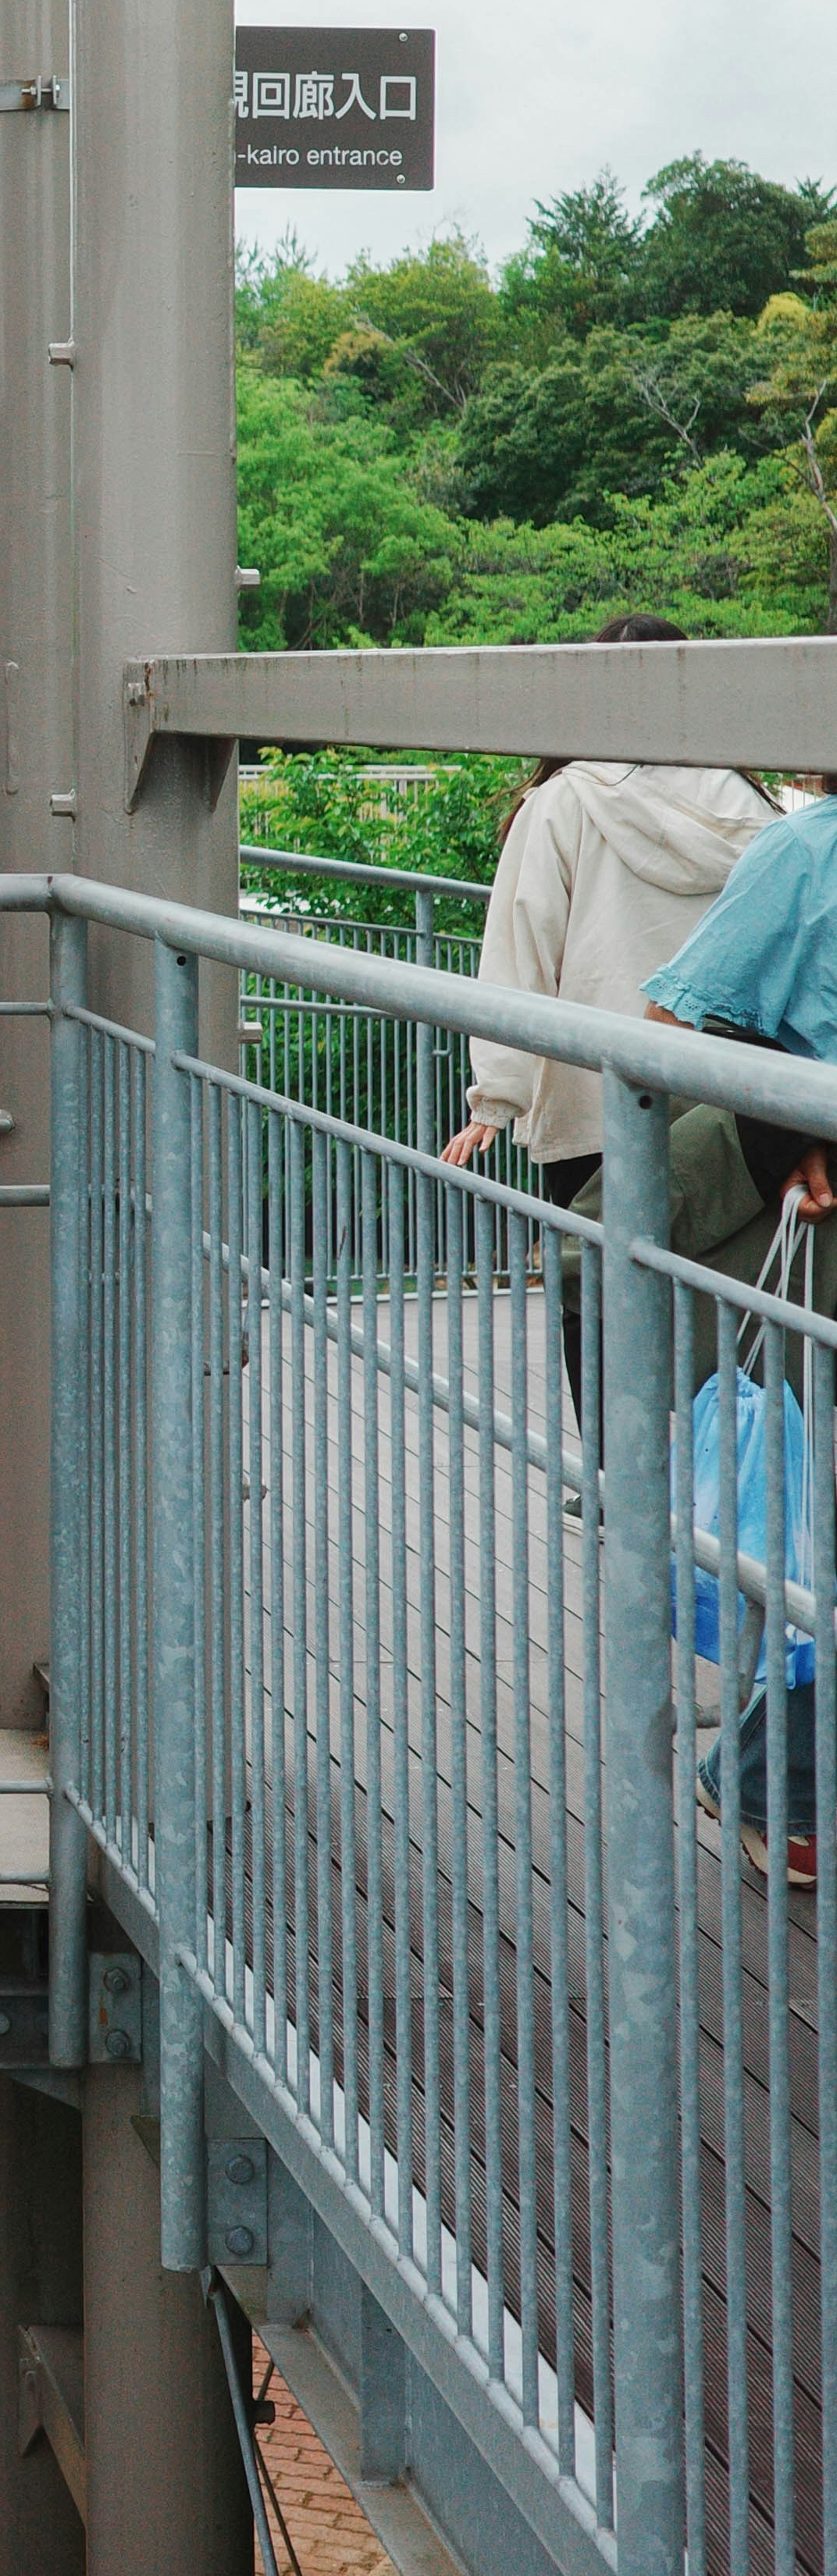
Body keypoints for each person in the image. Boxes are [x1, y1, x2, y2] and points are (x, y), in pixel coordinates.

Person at [638, 788, 837, 1886]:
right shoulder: (804, 851)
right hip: (822, 1225)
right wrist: (783, 1133)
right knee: (814, 1528)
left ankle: (770, 1771)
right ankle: (775, 1776)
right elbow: (680, 1032)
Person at [440, 628, 776, 1201]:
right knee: (708, 1280)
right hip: (728, 1105)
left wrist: (496, 1096)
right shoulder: (753, 806)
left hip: (594, 1097)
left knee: (595, 1276)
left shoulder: (560, 802)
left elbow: (520, 953)